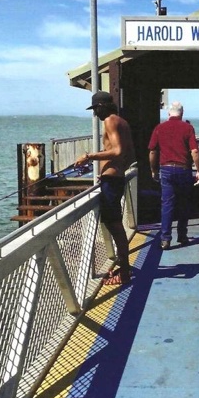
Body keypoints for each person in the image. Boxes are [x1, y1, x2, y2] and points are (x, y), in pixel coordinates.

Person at [75, 90, 135, 285]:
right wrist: (112, 168)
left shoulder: (109, 120)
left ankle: (124, 273)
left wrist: (89, 156)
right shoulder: (122, 122)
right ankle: (123, 267)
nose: (95, 114)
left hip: (111, 183)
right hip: (115, 179)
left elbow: (117, 151)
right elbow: (128, 154)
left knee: (115, 227)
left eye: (95, 109)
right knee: (114, 225)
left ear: (102, 107)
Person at [148, 101, 199, 250]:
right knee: (184, 203)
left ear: (168, 114)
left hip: (165, 170)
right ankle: (182, 236)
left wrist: (154, 170)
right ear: (182, 113)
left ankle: (165, 239)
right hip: (183, 170)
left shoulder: (159, 128)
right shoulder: (188, 128)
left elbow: (152, 151)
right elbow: (195, 152)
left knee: (167, 204)